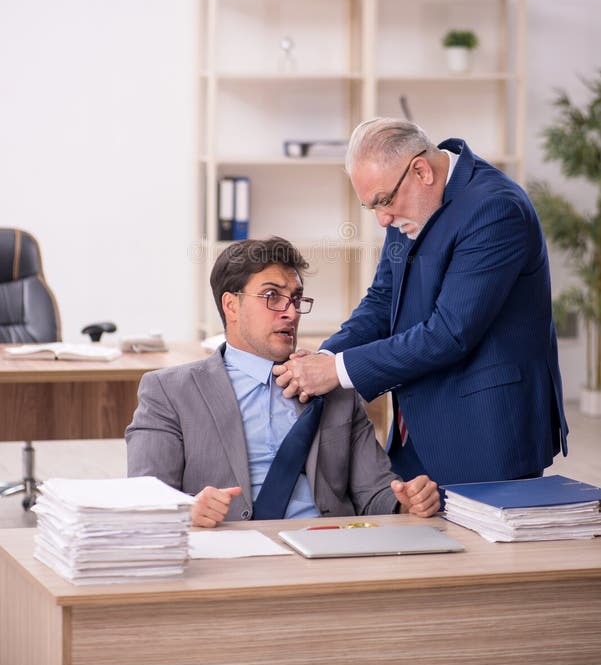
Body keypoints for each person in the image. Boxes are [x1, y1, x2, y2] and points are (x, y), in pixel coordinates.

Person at [273, 118, 569, 486]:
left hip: (486, 432)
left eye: (384, 201)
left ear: (421, 171)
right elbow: (383, 301)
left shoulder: (497, 210)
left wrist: (336, 371)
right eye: (371, 208)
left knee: (480, 545)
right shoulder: (408, 209)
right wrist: (325, 358)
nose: (382, 220)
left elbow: (449, 333)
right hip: (415, 429)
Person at [126, 236, 439, 526]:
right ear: (231, 305)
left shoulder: (334, 389)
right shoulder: (169, 392)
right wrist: (188, 509)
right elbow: (145, 501)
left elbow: (375, 493)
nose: (290, 312)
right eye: (272, 296)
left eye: (296, 298)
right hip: (231, 554)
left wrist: (405, 502)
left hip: (328, 551)